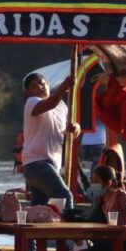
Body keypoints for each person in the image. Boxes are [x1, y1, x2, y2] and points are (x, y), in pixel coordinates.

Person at [21, 71, 77, 211]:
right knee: (65, 197)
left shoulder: (61, 106)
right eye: (34, 86)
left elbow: (73, 130)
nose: (40, 87)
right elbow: (49, 104)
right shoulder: (31, 102)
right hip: (37, 163)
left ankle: (32, 230)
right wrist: (64, 86)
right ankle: (69, 230)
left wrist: (75, 128)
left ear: (48, 84)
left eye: (42, 83)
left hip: (50, 165)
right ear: (28, 93)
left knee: (38, 207)